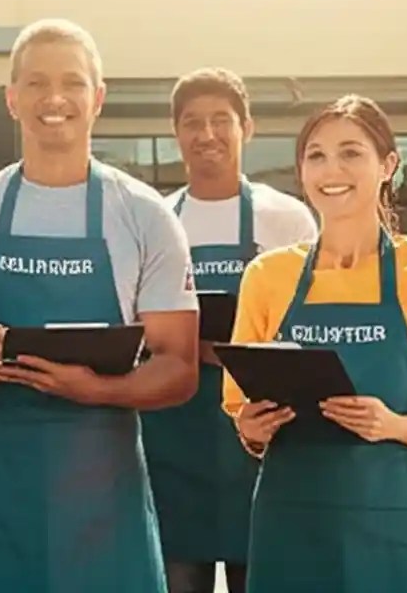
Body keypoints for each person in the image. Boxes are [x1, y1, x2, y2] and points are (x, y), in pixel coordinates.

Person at [0, 19, 200, 593]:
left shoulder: (146, 217)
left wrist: (98, 390)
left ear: (98, 98)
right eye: (37, 83)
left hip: (102, 480)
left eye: (72, 82)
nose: (54, 99)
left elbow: (179, 367)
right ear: (11, 98)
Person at [225, 95, 407, 593]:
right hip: (293, 526)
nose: (332, 169)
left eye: (351, 152)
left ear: (388, 165)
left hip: (401, 529)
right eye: (316, 155)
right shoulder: (268, 276)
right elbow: (243, 416)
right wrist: (253, 428)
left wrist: (392, 424)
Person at [139, 68, 317, 593]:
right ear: (177, 134)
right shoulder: (155, 220)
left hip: (260, 436)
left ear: (248, 129)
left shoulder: (287, 220)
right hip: (174, 436)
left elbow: (309, 324)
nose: (207, 134)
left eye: (221, 120)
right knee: (178, 578)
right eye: (193, 122)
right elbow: (133, 322)